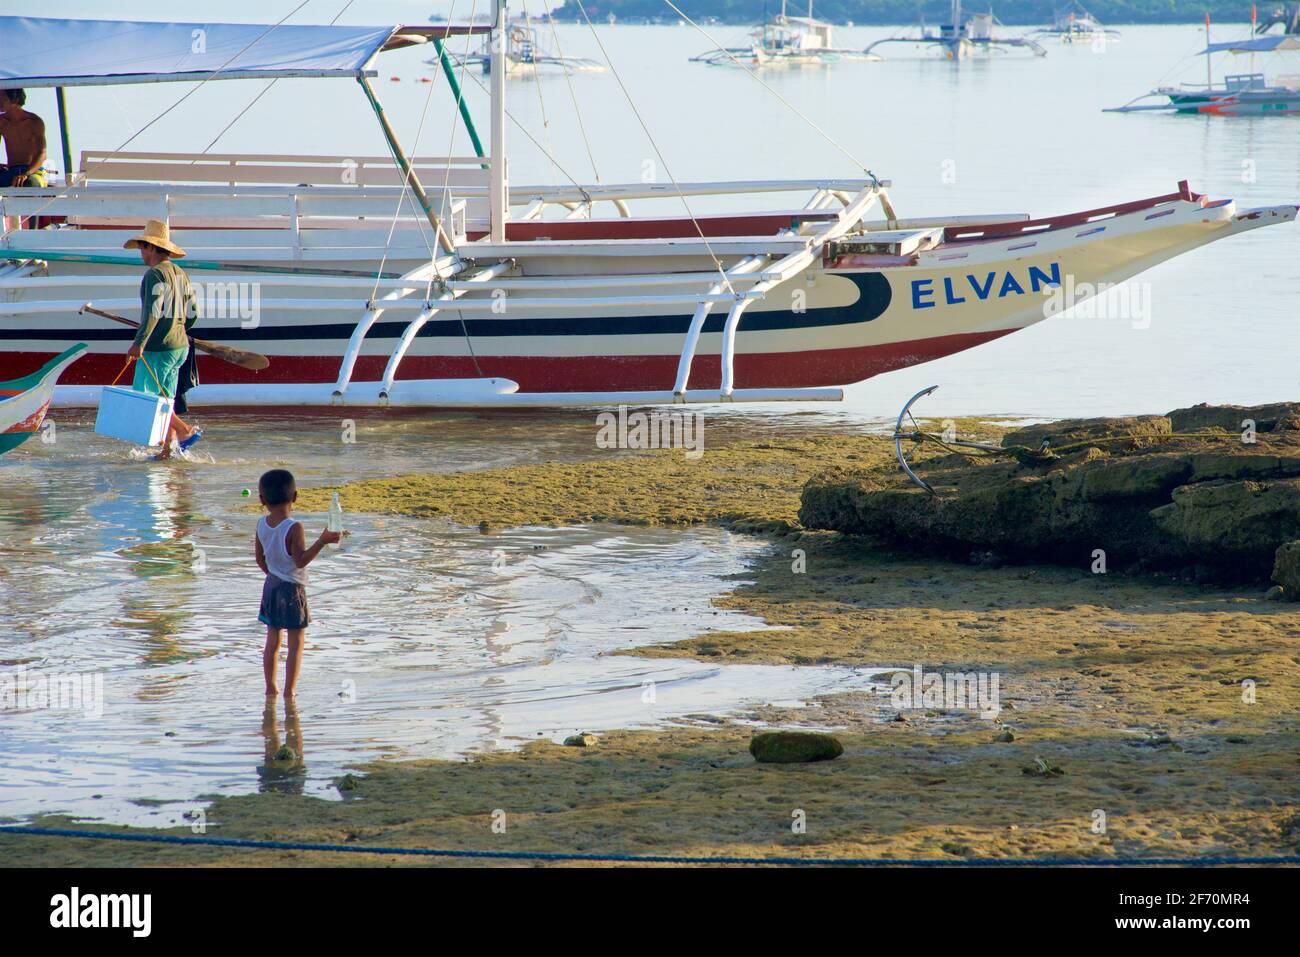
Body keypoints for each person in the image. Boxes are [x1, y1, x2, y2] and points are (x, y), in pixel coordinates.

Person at [254, 469, 341, 698]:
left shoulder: (261, 524)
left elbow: (259, 559)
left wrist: (273, 573)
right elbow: (300, 561)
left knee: (272, 640)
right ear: (295, 496)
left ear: (262, 499)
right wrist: (322, 541)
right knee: (295, 643)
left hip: (271, 586)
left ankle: (270, 687)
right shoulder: (294, 527)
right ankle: (289, 691)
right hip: (292, 589)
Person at [122, 219, 203, 458]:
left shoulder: (154, 275)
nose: (141, 252)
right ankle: (168, 450)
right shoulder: (180, 273)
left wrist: (139, 343)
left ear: (151, 248)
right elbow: (194, 312)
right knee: (164, 397)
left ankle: (185, 430)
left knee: (147, 399)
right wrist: (178, 328)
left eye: (142, 247)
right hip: (180, 347)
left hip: (158, 349)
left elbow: (152, 313)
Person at [0, 89, 47, 232]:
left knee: (32, 184)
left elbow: (42, 153)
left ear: (14, 99)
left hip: (33, 171)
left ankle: (33, 232)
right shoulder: (2, 122)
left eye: (2, 97)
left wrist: (27, 173)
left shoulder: (34, 122)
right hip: (11, 170)